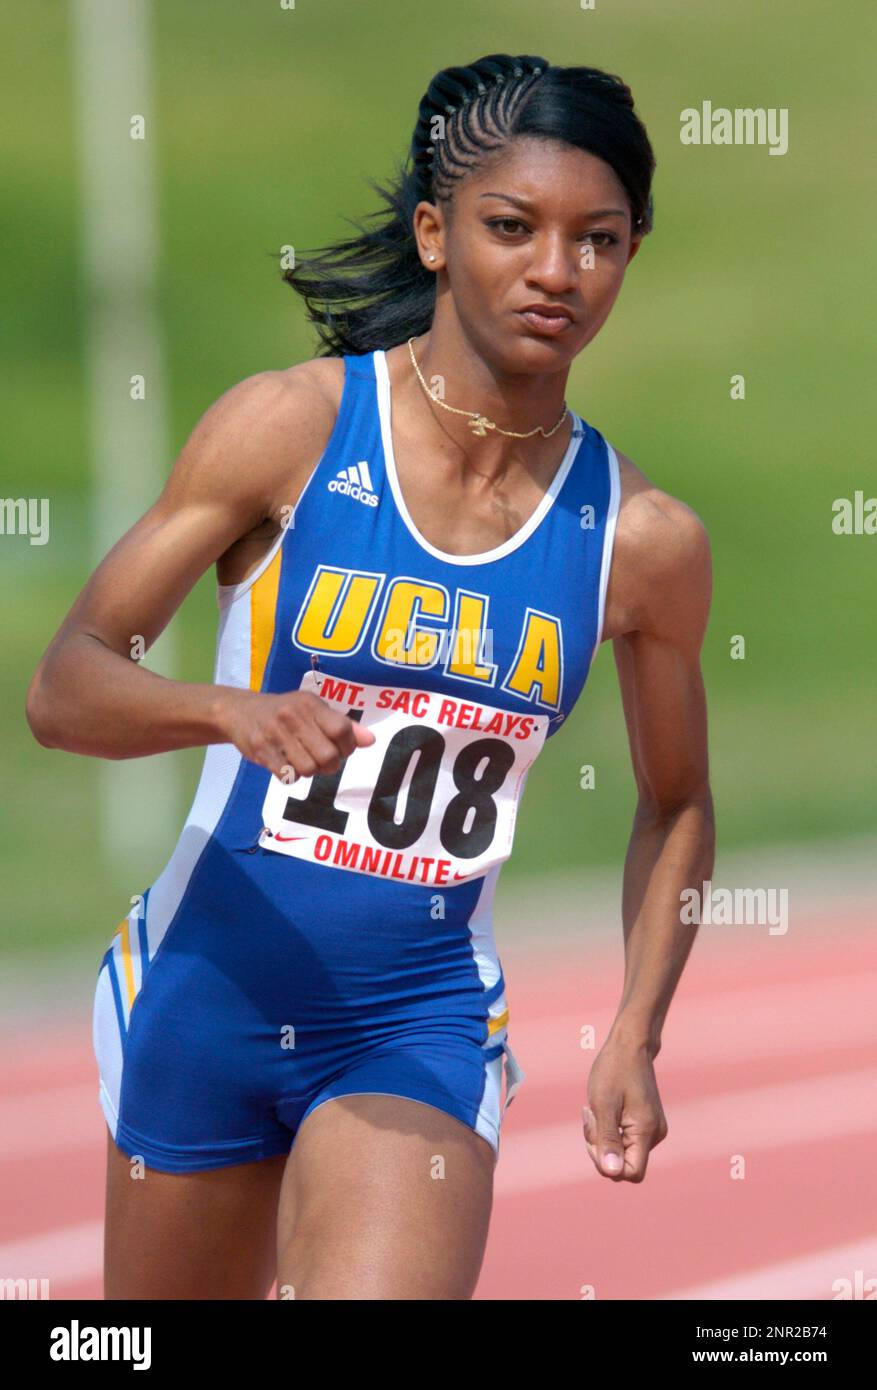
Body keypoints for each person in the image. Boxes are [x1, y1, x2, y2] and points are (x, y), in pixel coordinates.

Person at [26, 52, 715, 1300]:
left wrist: (634, 1028)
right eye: (513, 229)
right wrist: (228, 711)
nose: (556, 272)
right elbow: (65, 686)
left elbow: (675, 804)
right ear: (435, 233)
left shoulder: (640, 540)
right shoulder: (288, 428)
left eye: (598, 240)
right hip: (208, 989)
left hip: (417, 1018)